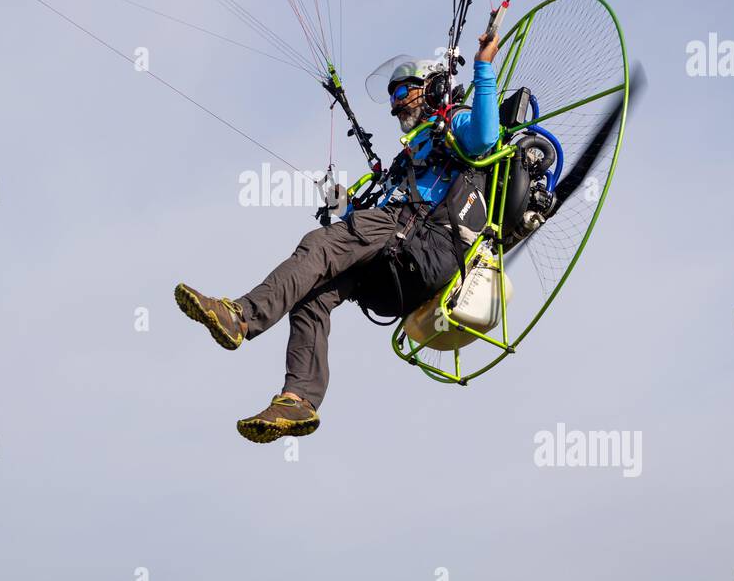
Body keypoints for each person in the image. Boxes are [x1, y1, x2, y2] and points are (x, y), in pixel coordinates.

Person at [175, 31, 503, 443]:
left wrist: (484, 65)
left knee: (320, 244)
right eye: (391, 95)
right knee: (312, 295)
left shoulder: (452, 123)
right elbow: (368, 224)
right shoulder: (410, 155)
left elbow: (486, 138)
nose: (396, 101)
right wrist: (346, 207)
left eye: (403, 89)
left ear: (432, 87)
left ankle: (241, 316)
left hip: (420, 240)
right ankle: (298, 401)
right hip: (396, 266)